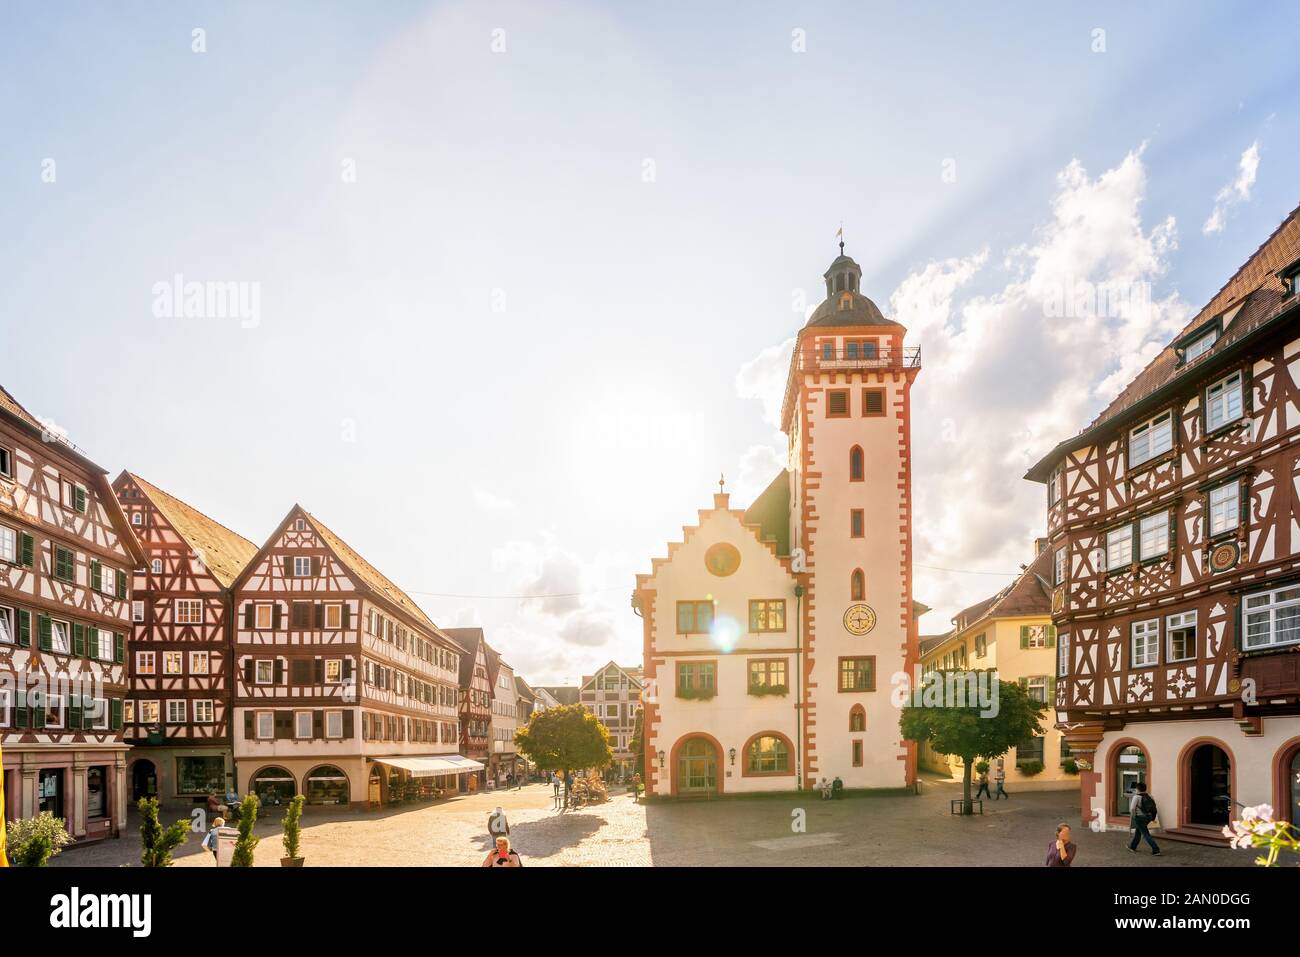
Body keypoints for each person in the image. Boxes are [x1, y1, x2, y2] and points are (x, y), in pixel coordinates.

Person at [1128, 782, 1162, 856]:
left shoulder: (1136, 797)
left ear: (1137, 789)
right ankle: (1132, 847)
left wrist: (1134, 816)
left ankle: (1156, 849)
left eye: (1136, 789)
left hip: (1140, 817)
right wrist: (1153, 818)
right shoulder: (1150, 796)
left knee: (1146, 834)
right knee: (1138, 831)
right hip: (1149, 817)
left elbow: (1132, 808)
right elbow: (1153, 807)